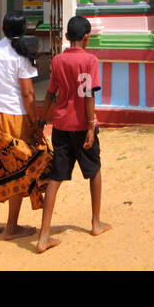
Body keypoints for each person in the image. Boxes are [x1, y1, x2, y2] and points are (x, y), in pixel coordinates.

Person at [35, 15, 109, 253]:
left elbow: (49, 94)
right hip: (81, 126)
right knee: (94, 170)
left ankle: (44, 235)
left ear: (67, 37)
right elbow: (88, 95)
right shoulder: (90, 61)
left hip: (61, 126)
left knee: (55, 179)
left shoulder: (57, 61)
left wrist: (40, 120)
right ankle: (96, 222)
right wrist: (90, 125)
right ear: (87, 38)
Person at [0, 13, 50, 241]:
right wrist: (36, 123)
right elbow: (28, 94)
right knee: (19, 170)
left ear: (2, 28)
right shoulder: (23, 54)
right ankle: (11, 226)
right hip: (16, 115)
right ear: (26, 29)